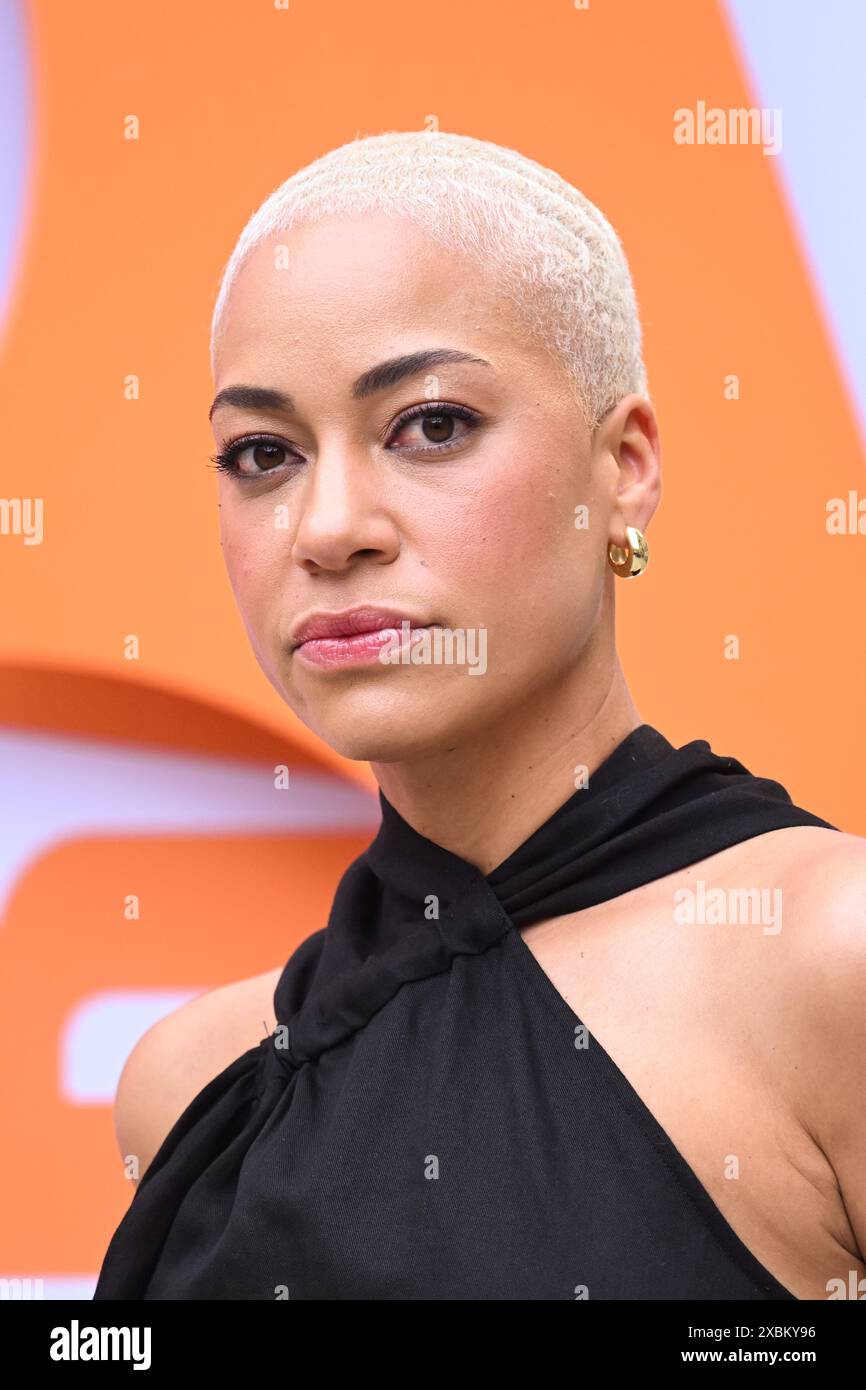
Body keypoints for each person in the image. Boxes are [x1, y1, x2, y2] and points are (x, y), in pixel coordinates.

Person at [93, 129, 866, 1301]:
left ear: (626, 465)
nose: (327, 526)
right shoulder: (188, 1082)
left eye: (431, 424)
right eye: (262, 453)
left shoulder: (826, 963)